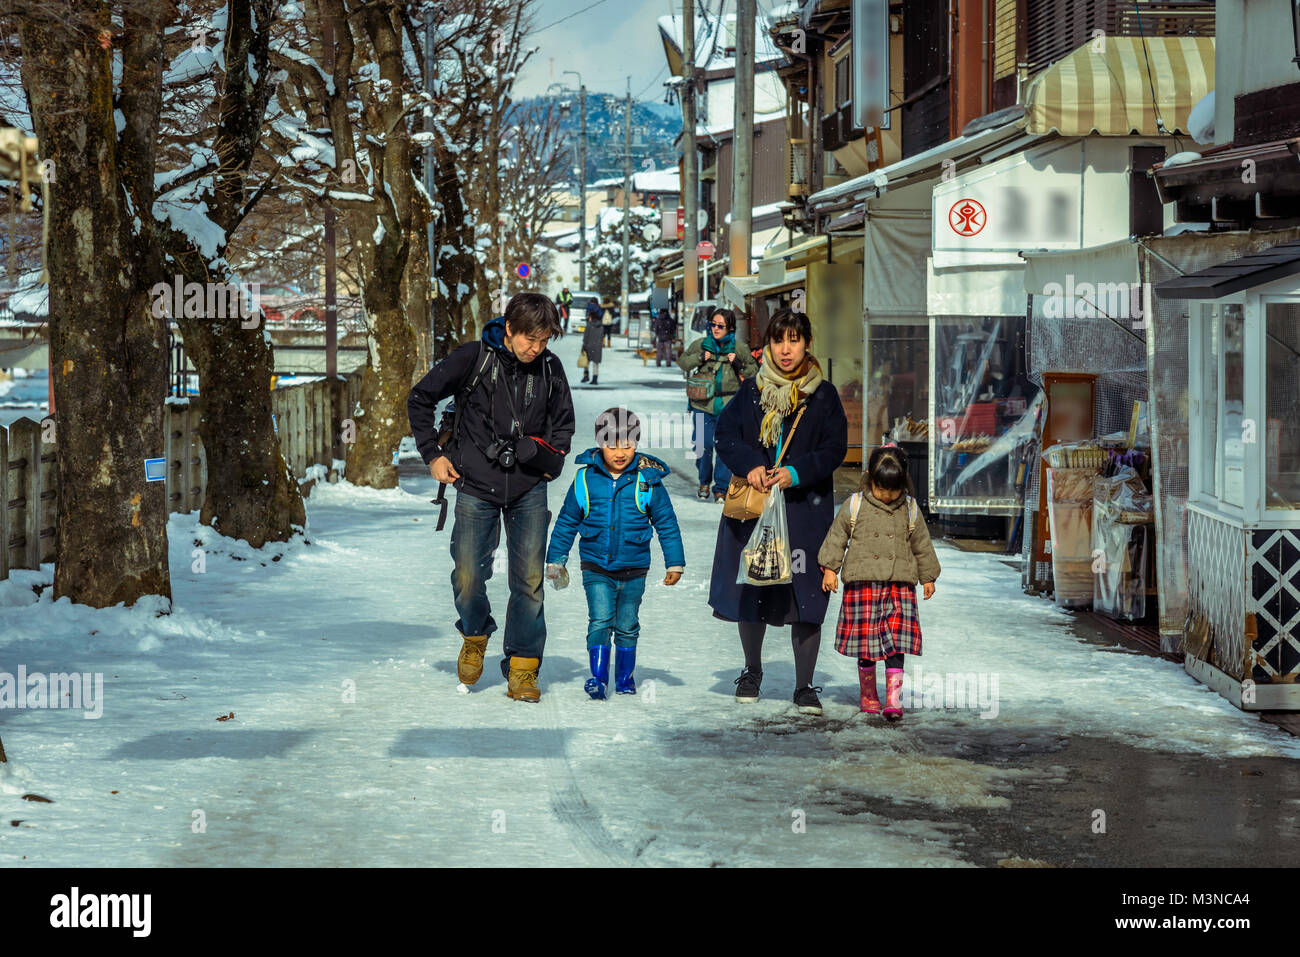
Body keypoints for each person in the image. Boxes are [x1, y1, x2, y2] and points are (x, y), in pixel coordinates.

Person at [406, 293, 574, 703]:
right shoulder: (473, 357)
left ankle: (523, 667)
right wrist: (433, 456)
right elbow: (420, 398)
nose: (536, 349)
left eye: (544, 340)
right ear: (510, 329)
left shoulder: (551, 368)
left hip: (529, 488)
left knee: (530, 583)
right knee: (467, 576)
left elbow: (564, 428)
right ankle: (475, 633)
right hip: (474, 484)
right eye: (529, 339)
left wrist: (540, 452)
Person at [709, 307, 847, 715]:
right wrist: (751, 464)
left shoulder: (823, 395)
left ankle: (805, 686)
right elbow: (725, 433)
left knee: (806, 594)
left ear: (806, 344)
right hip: (757, 511)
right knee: (751, 587)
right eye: (778, 340)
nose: (786, 350)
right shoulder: (751, 390)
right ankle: (752, 671)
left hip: (806, 510)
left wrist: (796, 471)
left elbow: (834, 448)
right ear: (767, 345)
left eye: (794, 340)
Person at [545, 407, 685, 699]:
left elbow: (666, 522)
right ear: (600, 444)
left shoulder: (648, 480)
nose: (620, 452)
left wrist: (675, 562)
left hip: (635, 568)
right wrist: (556, 559)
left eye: (627, 444)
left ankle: (624, 678)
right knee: (599, 620)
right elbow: (567, 521)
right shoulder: (585, 479)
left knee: (627, 624)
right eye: (612, 445)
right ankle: (598, 678)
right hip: (595, 566)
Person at [818, 444, 940, 721]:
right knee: (867, 644)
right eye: (881, 488)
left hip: (899, 587)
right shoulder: (856, 504)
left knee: (897, 643)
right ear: (870, 479)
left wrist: (928, 576)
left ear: (903, 484)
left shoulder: (909, 508)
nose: (886, 495)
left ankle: (893, 698)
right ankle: (869, 694)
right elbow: (837, 537)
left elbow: (921, 543)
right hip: (862, 586)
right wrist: (830, 569)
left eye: (892, 490)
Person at [676, 307, 757, 502]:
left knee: (725, 447)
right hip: (702, 405)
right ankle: (704, 481)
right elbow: (683, 362)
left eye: (720, 325)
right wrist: (699, 358)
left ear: (730, 327)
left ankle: (720, 487)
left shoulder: (739, 348)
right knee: (703, 445)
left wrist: (738, 363)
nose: (716, 329)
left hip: (729, 405)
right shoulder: (701, 344)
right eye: (713, 324)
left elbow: (754, 371)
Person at [581, 298, 604, 384]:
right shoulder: (601, 326)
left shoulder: (589, 326)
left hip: (589, 346)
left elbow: (585, 337)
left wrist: (584, 345)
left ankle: (586, 376)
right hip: (597, 347)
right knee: (595, 364)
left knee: (586, 361)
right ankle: (595, 379)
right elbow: (601, 337)